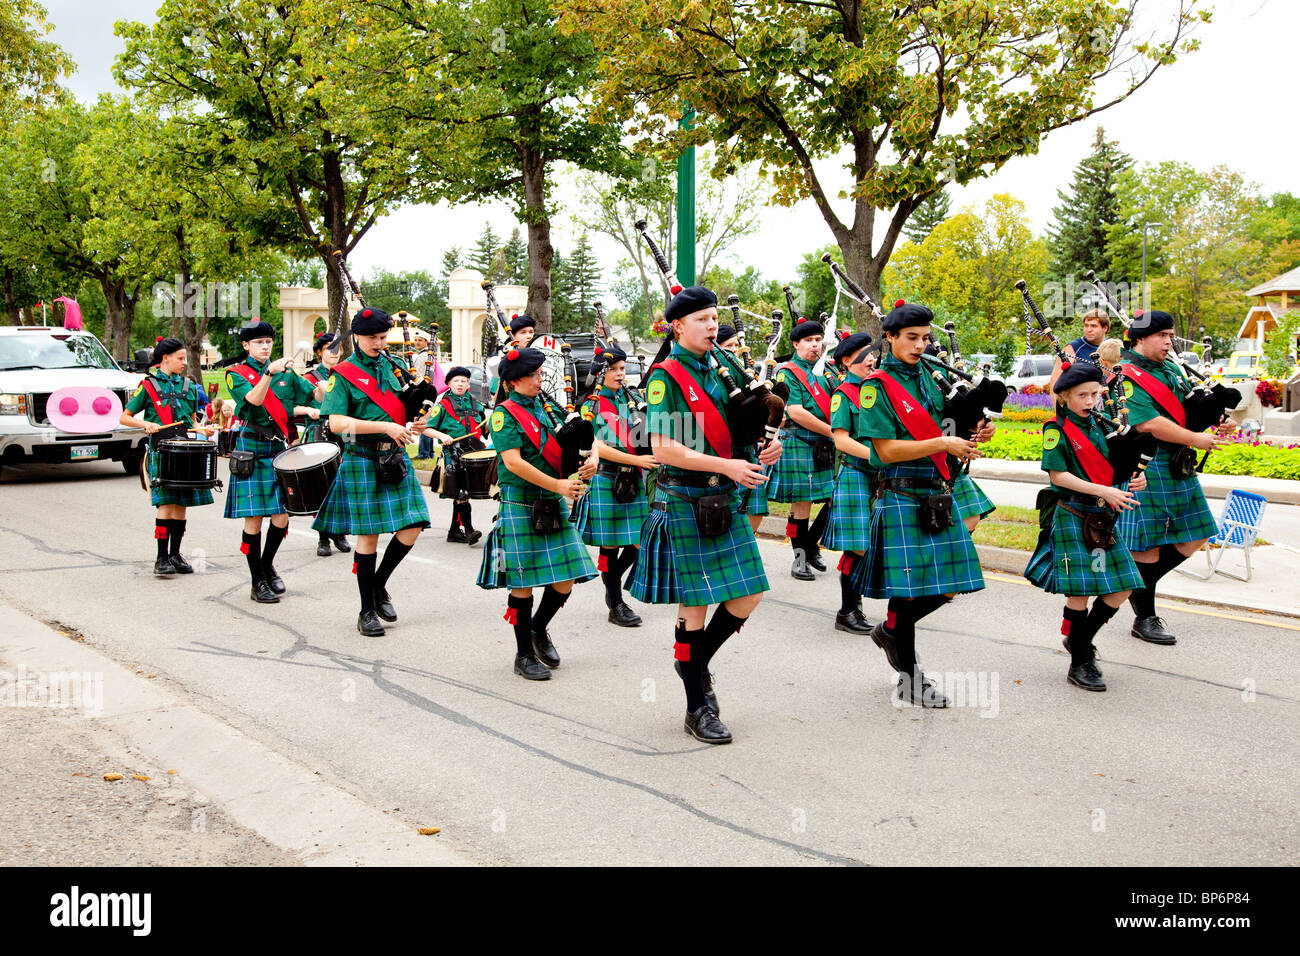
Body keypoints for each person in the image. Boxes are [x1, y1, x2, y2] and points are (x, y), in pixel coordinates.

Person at [629, 286, 783, 744]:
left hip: (723, 499)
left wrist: (764, 446)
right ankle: (698, 706)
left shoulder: (719, 369)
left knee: (747, 596)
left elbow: (737, 430)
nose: (713, 325)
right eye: (702, 319)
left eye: (715, 318)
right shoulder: (667, 377)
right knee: (694, 605)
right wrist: (727, 465)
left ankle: (691, 661)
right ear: (677, 326)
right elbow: (663, 447)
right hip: (688, 500)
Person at [851, 301, 986, 708]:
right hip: (900, 492)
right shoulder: (875, 387)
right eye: (912, 338)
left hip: (937, 491)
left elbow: (946, 427)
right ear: (889, 338)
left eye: (926, 338)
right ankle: (910, 678)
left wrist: (972, 434)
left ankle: (890, 630)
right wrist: (943, 442)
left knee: (947, 588)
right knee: (909, 592)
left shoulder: (931, 376)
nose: (921, 345)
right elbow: (885, 450)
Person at [477, 346, 599, 679]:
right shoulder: (504, 414)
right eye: (533, 375)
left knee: (565, 578)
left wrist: (589, 461)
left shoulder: (546, 407)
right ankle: (522, 654)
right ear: (513, 382)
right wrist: (559, 485)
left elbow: (577, 439)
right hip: (521, 503)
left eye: (539, 374)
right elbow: (513, 463)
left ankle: (537, 627)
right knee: (522, 583)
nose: (539, 379)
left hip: (552, 499)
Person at [1025, 360, 1148, 691]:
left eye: (1095, 393)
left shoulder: (1099, 423)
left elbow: (1112, 466)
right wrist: (1106, 490)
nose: (1091, 400)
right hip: (1073, 513)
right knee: (1079, 592)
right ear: (1064, 396)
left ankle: (1080, 640)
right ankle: (1080, 661)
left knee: (1122, 586)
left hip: (1103, 515)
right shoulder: (1056, 428)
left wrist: (1133, 479)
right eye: (1083, 395)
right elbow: (1057, 476)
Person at [312, 308, 432, 636]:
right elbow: (336, 423)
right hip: (362, 458)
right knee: (369, 538)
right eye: (373, 338)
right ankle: (366, 610)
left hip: (394, 457)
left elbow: (401, 411)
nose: (379, 343)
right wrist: (386, 426)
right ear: (356, 338)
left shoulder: (392, 369)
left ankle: (378, 585)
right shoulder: (344, 373)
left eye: (383, 337)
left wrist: (415, 422)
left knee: (413, 527)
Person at [1115, 309, 1226, 645]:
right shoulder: (1125, 375)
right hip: (1147, 465)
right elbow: (1147, 423)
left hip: (1178, 463)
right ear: (1140, 339)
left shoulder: (1170, 369)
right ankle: (1145, 616)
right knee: (1147, 547)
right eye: (1162, 336)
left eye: (1170, 335)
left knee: (1197, 534)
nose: (1169, 341)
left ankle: (1137, 587)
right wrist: (1196, 438)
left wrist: (1215, 419)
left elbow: (1185, 412)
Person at [224, 321, 323, 603]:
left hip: (279, 447)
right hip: (252, 446)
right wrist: (268, 373)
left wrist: (327, 384)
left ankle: (267, 564)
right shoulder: (236, 373)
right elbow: (254, 400)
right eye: (259, 343)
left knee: (282, 515)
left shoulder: (288, 373)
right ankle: (257, 582)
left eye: (268, 342)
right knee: (253, 519)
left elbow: (314, 394)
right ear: (246, 346)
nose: (265, 347)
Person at [574, 344, 656, 627]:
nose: (621, 374)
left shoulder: (630, 397)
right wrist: (639, 461)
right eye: (614, 370)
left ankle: (614, 585)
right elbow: (598, 446)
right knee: (609, 545)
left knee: (639, 540)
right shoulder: (591, 405)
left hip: (634, 478)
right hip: (607, 477)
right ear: (600, 374)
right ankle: (615, 603)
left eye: (623, 369)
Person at [118, 338, 214, 576]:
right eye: (180, 359)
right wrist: (146, 423)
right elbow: (125, 417)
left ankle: (175, 554)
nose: (184, 363)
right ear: (165, 359)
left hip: (185, 452)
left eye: (185, 358)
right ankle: (161, 557)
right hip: (161, 451)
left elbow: (192, 422)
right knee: (165, 505)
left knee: (181, 505)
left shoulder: (190, 388)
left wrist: (204, 429)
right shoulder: (148, 386)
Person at [768, 316, 837, 580]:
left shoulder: (827, 370)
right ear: (796, 344)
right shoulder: (787, 372)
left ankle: (811, 543)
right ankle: (800, 558)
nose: (815, 345)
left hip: (824, 444)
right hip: (800, 442)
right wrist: (833, 432)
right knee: (802, 506)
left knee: (835, 498)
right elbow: (795, 411)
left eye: (818, 340)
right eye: (808, 341)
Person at [821, 332, 877, 634]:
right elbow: (841, 440)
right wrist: (877, 456)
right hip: (856, 473)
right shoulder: (843, 394)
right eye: (864, 354)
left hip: (880, 476)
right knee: (857, 548)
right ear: (846, 360)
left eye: (872, 353)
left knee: (871, 545)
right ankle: (847, 611)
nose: (871, 358)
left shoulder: (876, 390)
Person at [421, 366, 488, 545]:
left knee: (463, 492)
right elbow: (426, 429)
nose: (460, 384)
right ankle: (469, 530)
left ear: (468, 384)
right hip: (454, 452)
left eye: (464, 381)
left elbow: (484, 429)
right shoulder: (442, 405)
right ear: (449, 383)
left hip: (473, 451)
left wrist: (488, 426)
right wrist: (442, 436)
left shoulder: (476, 404)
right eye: (456, 381)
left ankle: (453, 531)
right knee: (461, 493)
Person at [717, 325, 768, 532]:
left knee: (755, 510)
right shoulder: (717, 373)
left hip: (747, 450)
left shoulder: (744, 373)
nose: (734, 351)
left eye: (736, 345)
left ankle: (748, 543)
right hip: (724, 453)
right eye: (728, 346)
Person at [305, 332, 351, 557]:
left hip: (346, 431)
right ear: (319, 352)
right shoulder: (310, 376)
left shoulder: (347, 373)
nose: (334, 353)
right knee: (323, 486)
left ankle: (339, 532)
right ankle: (323, 536)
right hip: (321, 432)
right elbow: (313, 400)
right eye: (328, 349)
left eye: (337, 349)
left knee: (343, 483)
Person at [1048, 308, 1110, 390]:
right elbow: (1055, 381)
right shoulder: (1072, 348)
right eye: (1086, 325)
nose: (1089, 330)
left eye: (1093, 326)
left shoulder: (1111, 346)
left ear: (1105, 328)